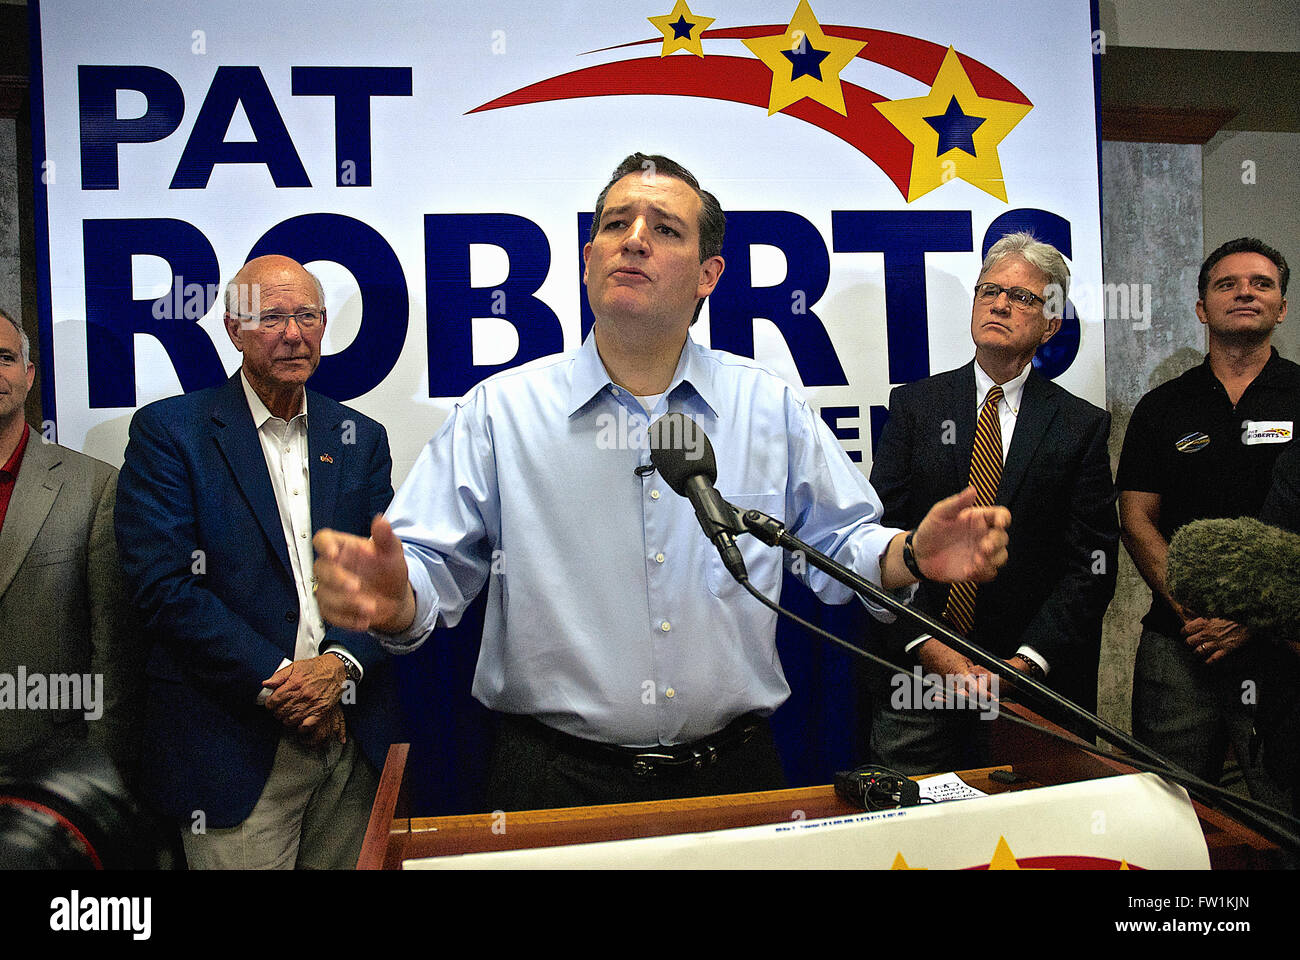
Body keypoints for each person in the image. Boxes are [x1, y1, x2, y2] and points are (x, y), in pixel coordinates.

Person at [312, 153, 1010, 811]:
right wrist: (397, 598)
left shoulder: (767, 405)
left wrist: (912, 555)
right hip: (554, 782)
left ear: (709, 275)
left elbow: (843, 546)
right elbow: (429, 573)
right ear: (588, 260)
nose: (634, 240)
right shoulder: (500, 413)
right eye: (615, 224)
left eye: (664, 229)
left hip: (733, 777)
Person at [115, 255, 398, 868]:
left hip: (349, 742)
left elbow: (383, 576)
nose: (294, 334)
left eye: (307, 316)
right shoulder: (171, 433)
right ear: (233, 328)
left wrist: (339, 668)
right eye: (272, 317)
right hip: (232, 745)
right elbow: (164, 588)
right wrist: (288, 688)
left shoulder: (361, 437)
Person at [867, 233, 1119, 773]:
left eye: (1022, 297)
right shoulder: (914, 407)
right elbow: (880, 540)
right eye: (990, 291)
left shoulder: (1080, 425)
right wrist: (930, 649)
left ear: (1051, 323)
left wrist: (1023, 664)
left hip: (1028, 687)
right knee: (913, 844)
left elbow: (1092, 566)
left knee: (1031, 843)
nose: (1001, 304)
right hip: (921, 675)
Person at [1117, 237, 1297, 804]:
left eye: (1261, 284)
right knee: (1168, 807)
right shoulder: (1162, 407)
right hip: (1179, 641)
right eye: (1227, 284)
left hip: (1284, 645)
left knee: (1281, 810)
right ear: (1201, 308)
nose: (1244, 292)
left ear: (1282, 307)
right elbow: (1136, 515)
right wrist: (1192, 609)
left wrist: (1254, 618)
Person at [0, 307, 142, 785]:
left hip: (50, 767)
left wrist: (98, 774)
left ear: (28, 373)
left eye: (4, 358)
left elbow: (113, 649)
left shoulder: (94, 486)